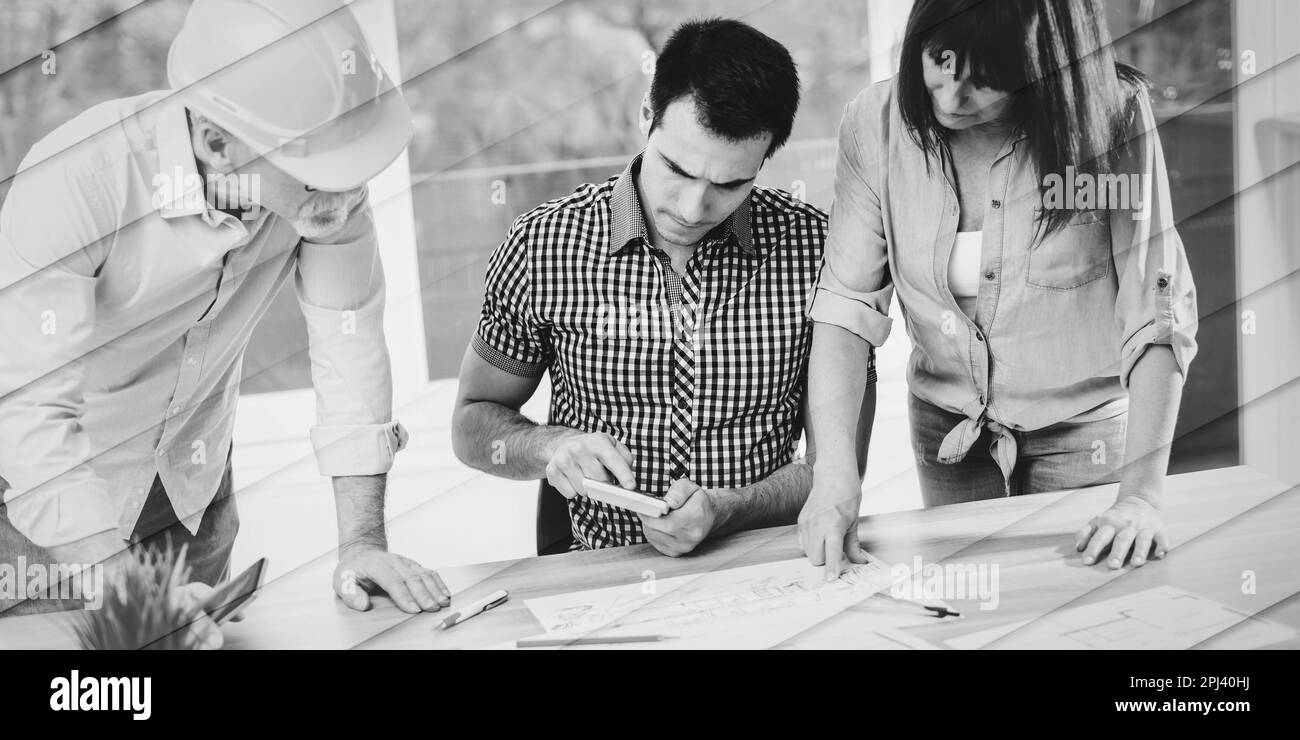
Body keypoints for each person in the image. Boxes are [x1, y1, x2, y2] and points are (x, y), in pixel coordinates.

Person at [0, 0, 450, 644]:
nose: (351, 195)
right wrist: (132, 603)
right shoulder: (77, 181)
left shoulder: (320, 189)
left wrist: (362, 543)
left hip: (191, 489)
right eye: (325, 174)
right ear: (216, 144)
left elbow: (349, 351)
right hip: (45, 509)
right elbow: (31, 418)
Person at [799, 0, 1197, 578]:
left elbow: (1154, 311)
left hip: (1084, 435)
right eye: (940, 60)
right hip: (948, 430)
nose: (950, 97)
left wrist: (1140, 497)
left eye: (986, 80)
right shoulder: (876, 124)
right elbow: (846, 305)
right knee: (970, 610)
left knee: (1083, 614)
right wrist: (834, 477)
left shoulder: (1109, 121)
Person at [452, 18, 876, 556]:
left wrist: (728, 510)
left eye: (729, 184)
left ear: (766, 159)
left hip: (766, 568)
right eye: (676, 168)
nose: (693, 208)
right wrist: (547, 445)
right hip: (599, 568)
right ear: (646, 116)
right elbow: (471, 424)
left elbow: (835, 470)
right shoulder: (543, 245)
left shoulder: (819, 253)